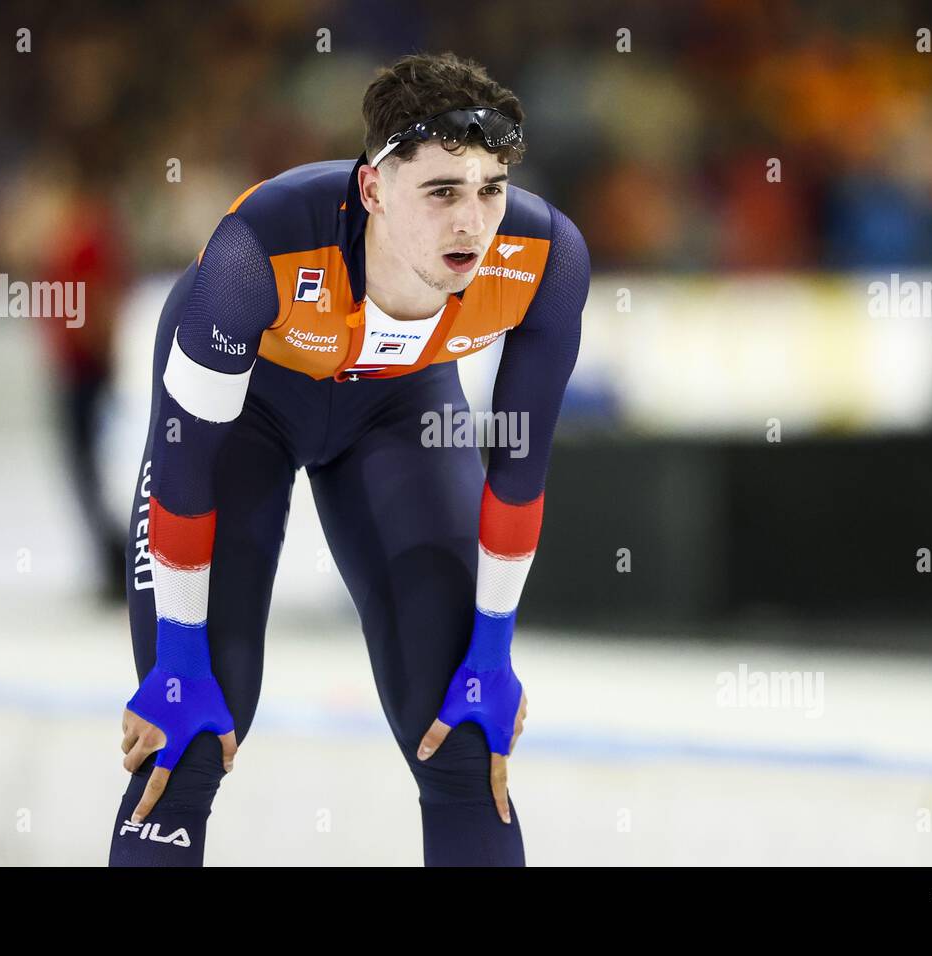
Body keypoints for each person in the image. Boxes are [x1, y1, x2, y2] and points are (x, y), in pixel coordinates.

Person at [109, 52, 590, 867]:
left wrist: (493, 650)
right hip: (247, 412)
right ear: (372, 190)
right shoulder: (254, 251)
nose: (472, 223)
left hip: (398, 409)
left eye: (489, 190)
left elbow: (519, 474)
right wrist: (180, 657)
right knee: (185, 736)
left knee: (464, 735)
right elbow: (187, 482)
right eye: (441, 192)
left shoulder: (546, 257)